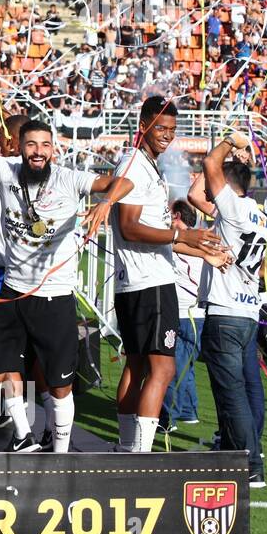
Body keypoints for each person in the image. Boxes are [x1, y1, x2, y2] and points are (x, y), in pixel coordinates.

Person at [0, 73, 124, 453]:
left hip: (55, 297)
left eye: (44, 145)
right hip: (12, 292)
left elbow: (122, 180)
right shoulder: (5, 171)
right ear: (19, 148)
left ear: (54, 150)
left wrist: (107, 201)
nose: (37, 151)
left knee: (58, 382)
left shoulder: (70, 178)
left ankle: (61, 457)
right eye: (31, 144)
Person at [108, 97, 224, 453]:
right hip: (151, 285)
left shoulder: (143, 164)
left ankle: (126, 448)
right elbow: (130, 228)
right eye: (161, 128)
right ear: (143, 125)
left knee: (138, 366)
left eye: (172, 131)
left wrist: (202, 250)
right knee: (163, 370)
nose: (167, 136)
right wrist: (182, 235)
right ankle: (139, 453)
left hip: (135, 282)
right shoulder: (135, 166)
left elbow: (158, 236)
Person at [188, 131, 267, 488]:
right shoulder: (260, 217)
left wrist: (229, 142)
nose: (209, 191)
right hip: (248, 312)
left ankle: (250, 463)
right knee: (237, 389)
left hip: (226, 311)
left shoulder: (233, 208)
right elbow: (196, 191)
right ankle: (242, 455)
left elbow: (210, 164)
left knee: (232, 392)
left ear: (227, 187)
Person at [163, 200, 207, 429]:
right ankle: (189, 411)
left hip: (184, 311)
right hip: (195, 312)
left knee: (172, 366)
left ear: (177, 216)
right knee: (185, 365)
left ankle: (168, 416)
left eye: (168, 214)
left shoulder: (179, 239)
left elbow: (170, 246)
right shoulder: (200, 238)